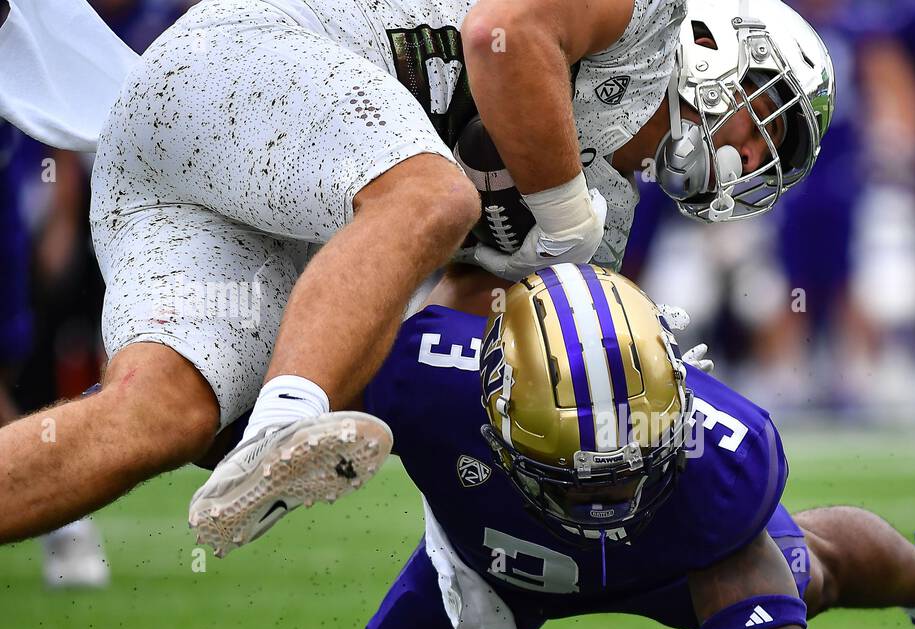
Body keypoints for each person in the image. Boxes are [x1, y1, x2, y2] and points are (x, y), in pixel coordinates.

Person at [0, 0, 837, 562]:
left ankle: (269, 424)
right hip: (232, 61)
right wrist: (564, 215)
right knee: (433, 192)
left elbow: (469, 335)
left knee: (164, 416)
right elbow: (503, 36)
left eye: (773, 163)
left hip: (211, 170)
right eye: (768, 121)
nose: (755, 160)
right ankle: (285, 422)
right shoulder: (648, 18)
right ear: (720, 41)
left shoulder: (611, 213)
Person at [359, 266, 915, 629]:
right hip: (494, 549)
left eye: (628, 467)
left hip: (666, 550)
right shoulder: (419, 378)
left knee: (808, 575)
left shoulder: (718, 461)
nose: (610, 500)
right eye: (579, 477)